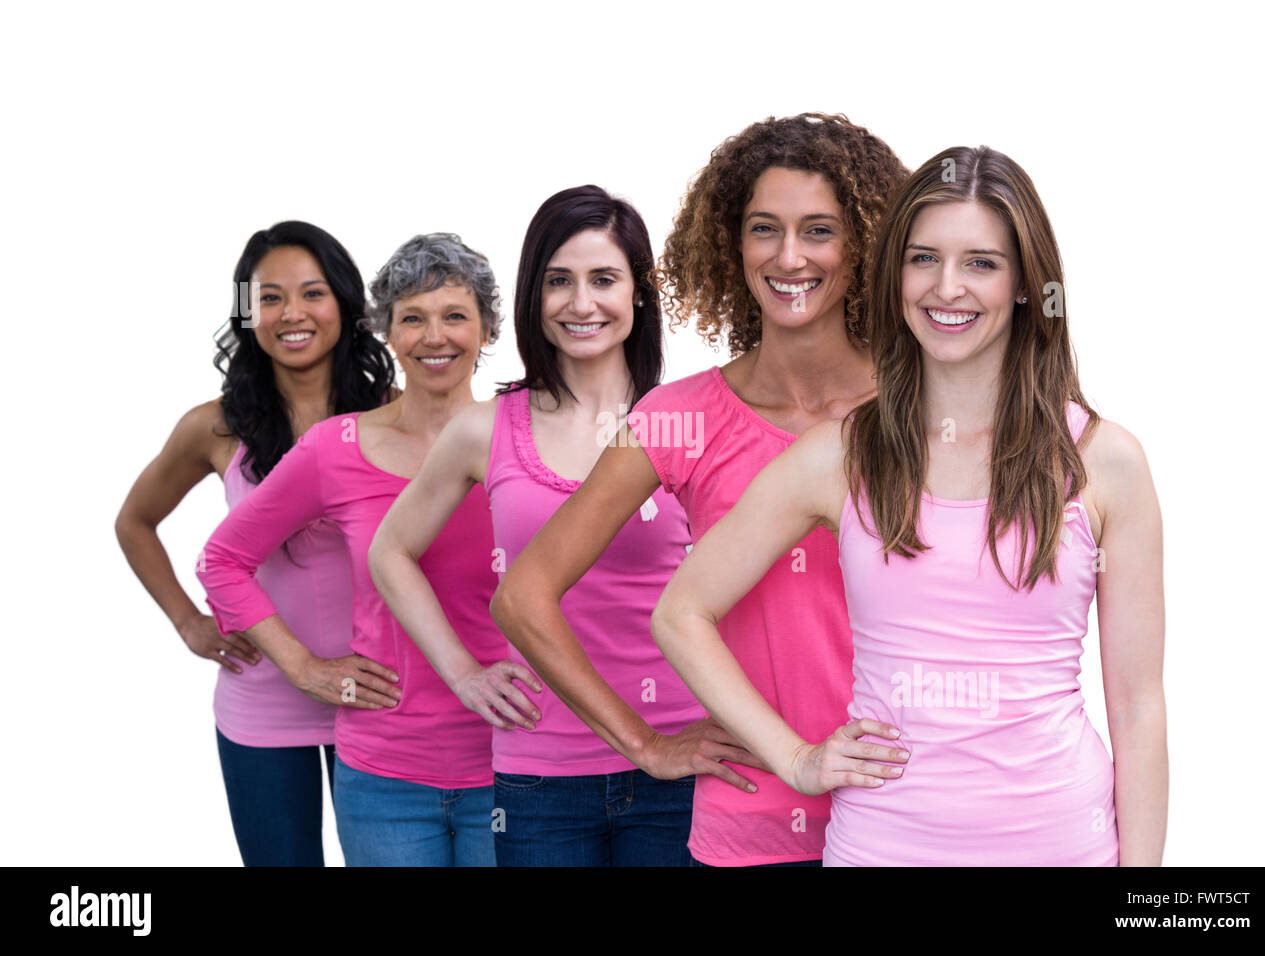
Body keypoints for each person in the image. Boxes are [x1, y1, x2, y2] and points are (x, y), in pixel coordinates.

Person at [652, 146, 1169, 866]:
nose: (947, 287)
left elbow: (1138, 710)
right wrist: (796, 758)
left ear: (1026, 284)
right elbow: (682, 612)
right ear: (895, 273)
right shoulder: (840, 455)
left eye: (981, 263)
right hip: (881, 848)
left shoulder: (1104, 461)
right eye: (923, 258)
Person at [489, 114, 911, 866]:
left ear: (864, 244)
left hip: (909, 800)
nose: (789, 256)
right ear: (730, 242)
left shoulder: (921, 408)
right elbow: (524, 594)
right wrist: (645, 744)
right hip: (752, 813)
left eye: (819, 230)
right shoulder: (680, 417)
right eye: (763, 229)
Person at [369, 186, 704, 866]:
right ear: (532, 297)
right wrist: (463, 673)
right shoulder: (483, 429)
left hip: (681, 758)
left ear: (639, 292)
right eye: (559, 281)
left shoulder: (688, 421)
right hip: (540, 775)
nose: (582, 303)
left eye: (604, 279)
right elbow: (391, 551)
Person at [199, 233, 514, 866]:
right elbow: (222, 560)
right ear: (386, 331)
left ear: (487, 331)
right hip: (384, 779)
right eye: (413, 319)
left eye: (456, 316)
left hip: (515, 762)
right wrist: (301, 666)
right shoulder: (334, 447)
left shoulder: (528, 438)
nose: (435, 337)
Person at [115, 221, 395, 865]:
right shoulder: (215, 426)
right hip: (264, 703)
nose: (291, 313)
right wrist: (188, 622)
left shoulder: (396, 416)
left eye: (312, 292)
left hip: (382, 699)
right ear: (248, 314)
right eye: (269, 297)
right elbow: (135, 521)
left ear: (347, 305)